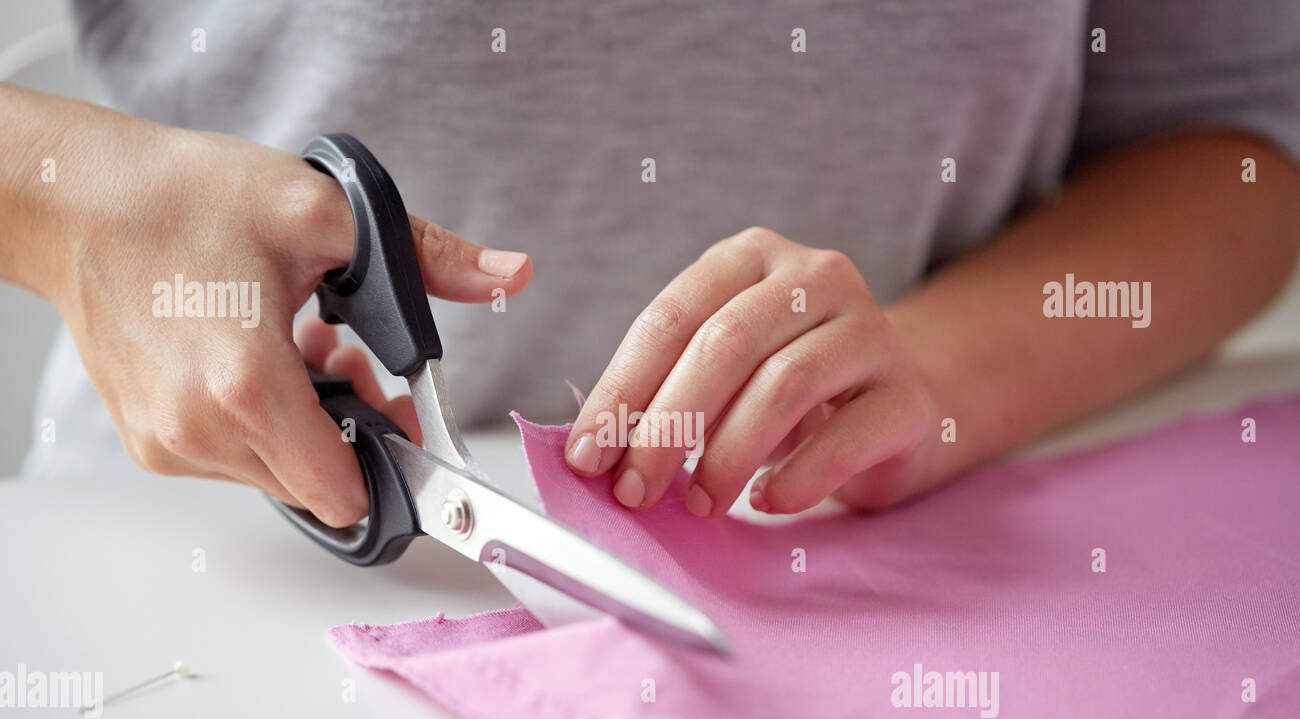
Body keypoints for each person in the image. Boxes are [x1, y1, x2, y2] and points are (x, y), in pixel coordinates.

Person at [4, 1, 1297, 528]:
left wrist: (937, 369)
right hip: (180, 557)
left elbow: (1245, 135)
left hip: (869, 556)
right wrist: (69, 210)